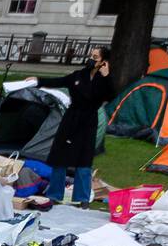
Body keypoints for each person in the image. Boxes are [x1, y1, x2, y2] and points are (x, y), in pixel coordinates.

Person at [32, 47, 115, 204]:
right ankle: (55, 194)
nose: (91, 58)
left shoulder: (104, 80)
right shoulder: (79, 75)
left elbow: (110, 95)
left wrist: (107, 77)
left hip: (88, 122)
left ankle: (82, 198)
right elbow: (59, 81)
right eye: (91, 55)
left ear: (103, 61)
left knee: (84, 160)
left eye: (95, 57)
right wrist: (38, 81)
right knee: (60, 158)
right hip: (71, 120)